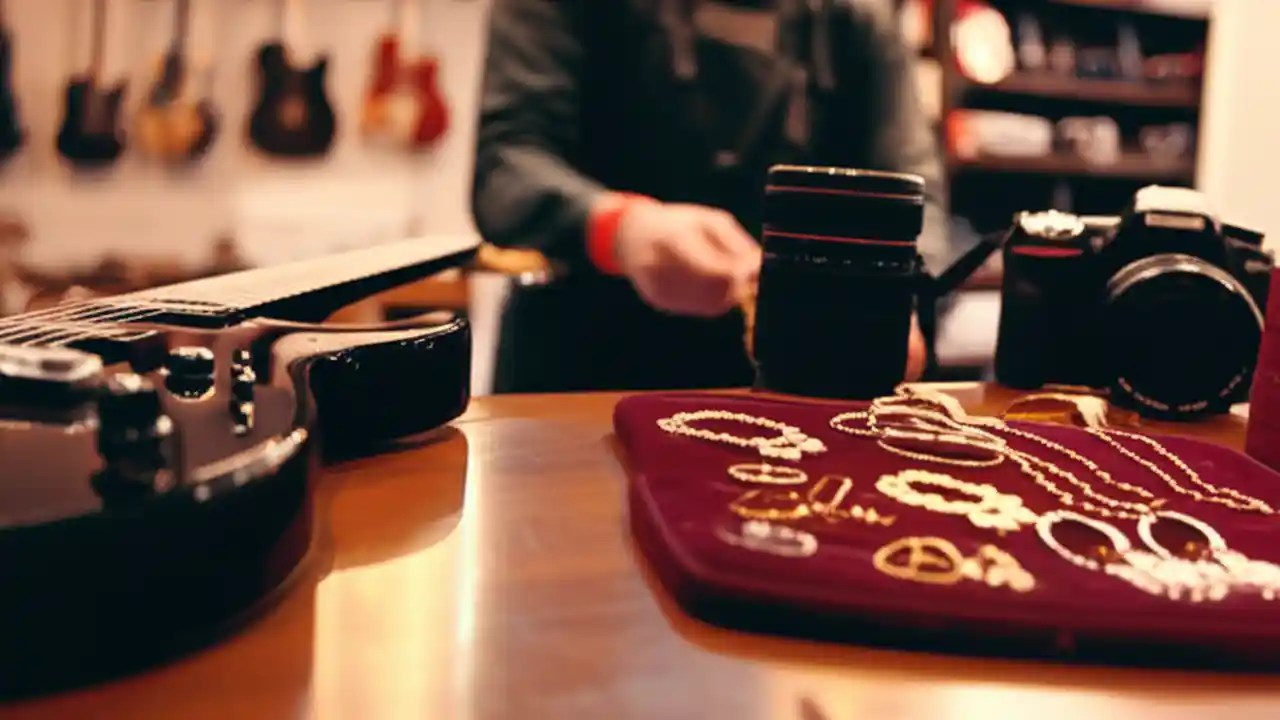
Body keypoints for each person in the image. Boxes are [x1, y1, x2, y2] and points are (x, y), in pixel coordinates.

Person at [472, 0, 951, 393]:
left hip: (787, 393)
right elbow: (507, 165)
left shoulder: (857, 17)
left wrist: (901, 300)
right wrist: (622, 228)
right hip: (579, 376)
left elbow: (916, 193)